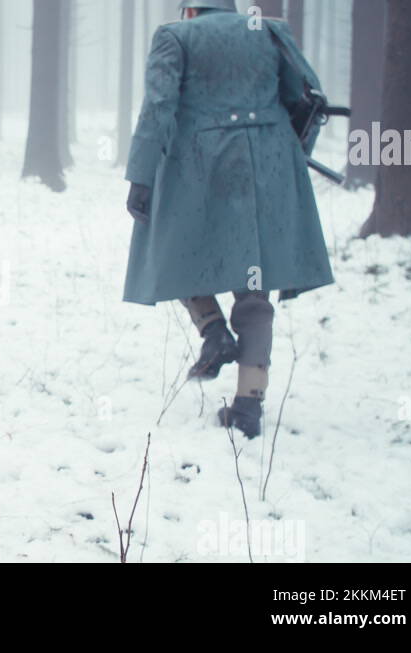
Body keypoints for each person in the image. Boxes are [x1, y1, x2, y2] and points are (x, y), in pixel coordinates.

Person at [122, 0, 334, 438]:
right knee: (255, 288)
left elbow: (158, 107)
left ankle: (214, 332)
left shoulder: (174, 36)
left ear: (191, 10)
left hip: (201, 165)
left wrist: (140, 176)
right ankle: (249, 406)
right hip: (270, 166)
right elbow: (304, 98)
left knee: (174, 252)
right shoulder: (270, 31)